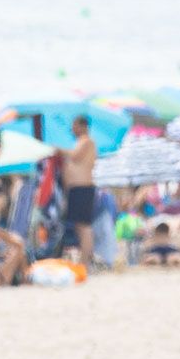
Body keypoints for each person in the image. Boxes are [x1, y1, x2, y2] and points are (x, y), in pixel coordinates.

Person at [63, 114, 97, 267]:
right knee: (79, 226)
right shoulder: (80, 142)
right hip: (77, 188)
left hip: (83, 187)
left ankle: (85, 262)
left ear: (82, 126)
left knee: (84, 226)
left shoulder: (87, 141)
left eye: (74, 125)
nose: (72, 128)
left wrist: (57, 150)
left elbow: (75, 156)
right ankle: (84, 260)